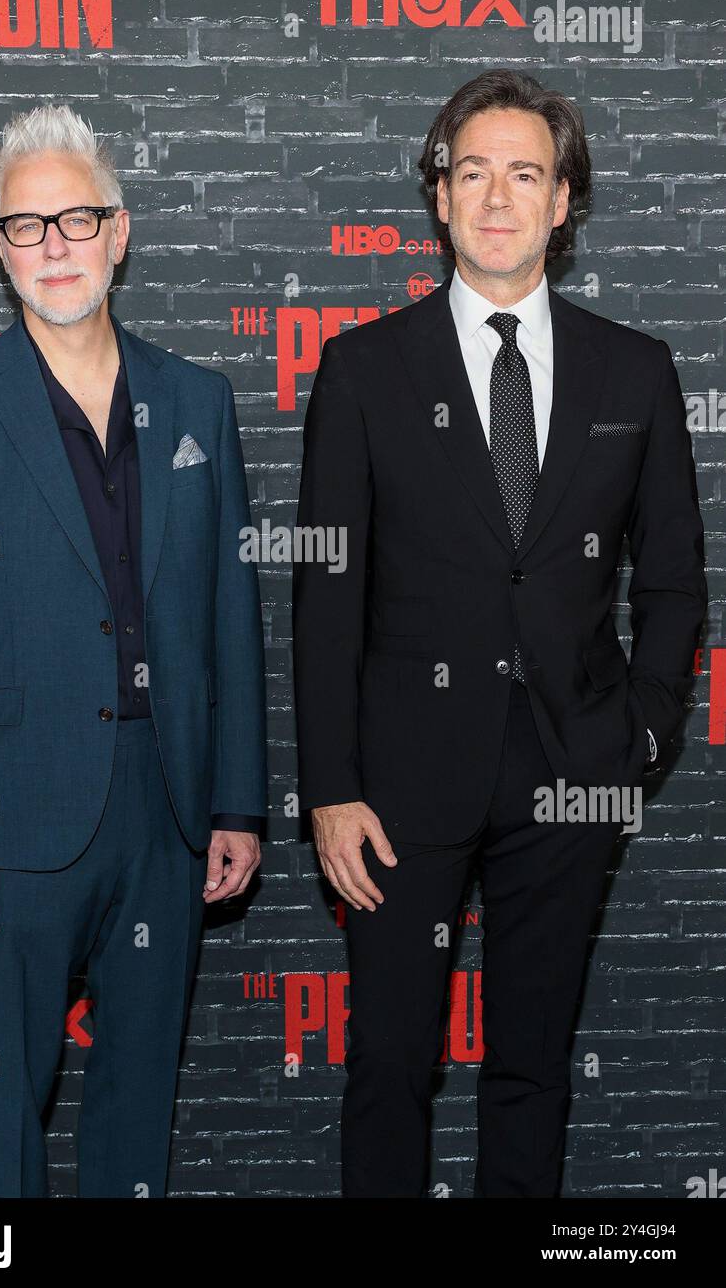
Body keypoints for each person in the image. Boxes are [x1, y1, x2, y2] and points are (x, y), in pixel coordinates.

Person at [292, 69, 707, 1197]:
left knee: (530, 1067)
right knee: (387, 1065)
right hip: (396, 787)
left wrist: (640, 738)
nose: (494, 197)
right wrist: (328, 788)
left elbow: (670, 582)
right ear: (437, 197)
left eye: (523, 173)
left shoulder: (634, 370)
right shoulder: (365, 369)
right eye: (468, 171)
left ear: (562, 201)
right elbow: (325, 594)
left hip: (569, 776)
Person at [0, 103, 267, 1198]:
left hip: (169, 814)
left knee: (137, 1105)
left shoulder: (199, 400)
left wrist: (236, 801)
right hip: (12, 825)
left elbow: (231, 616)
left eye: (76, 219)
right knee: (3, 1116)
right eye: (25, 225)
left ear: (121, 231)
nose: (53, 245)